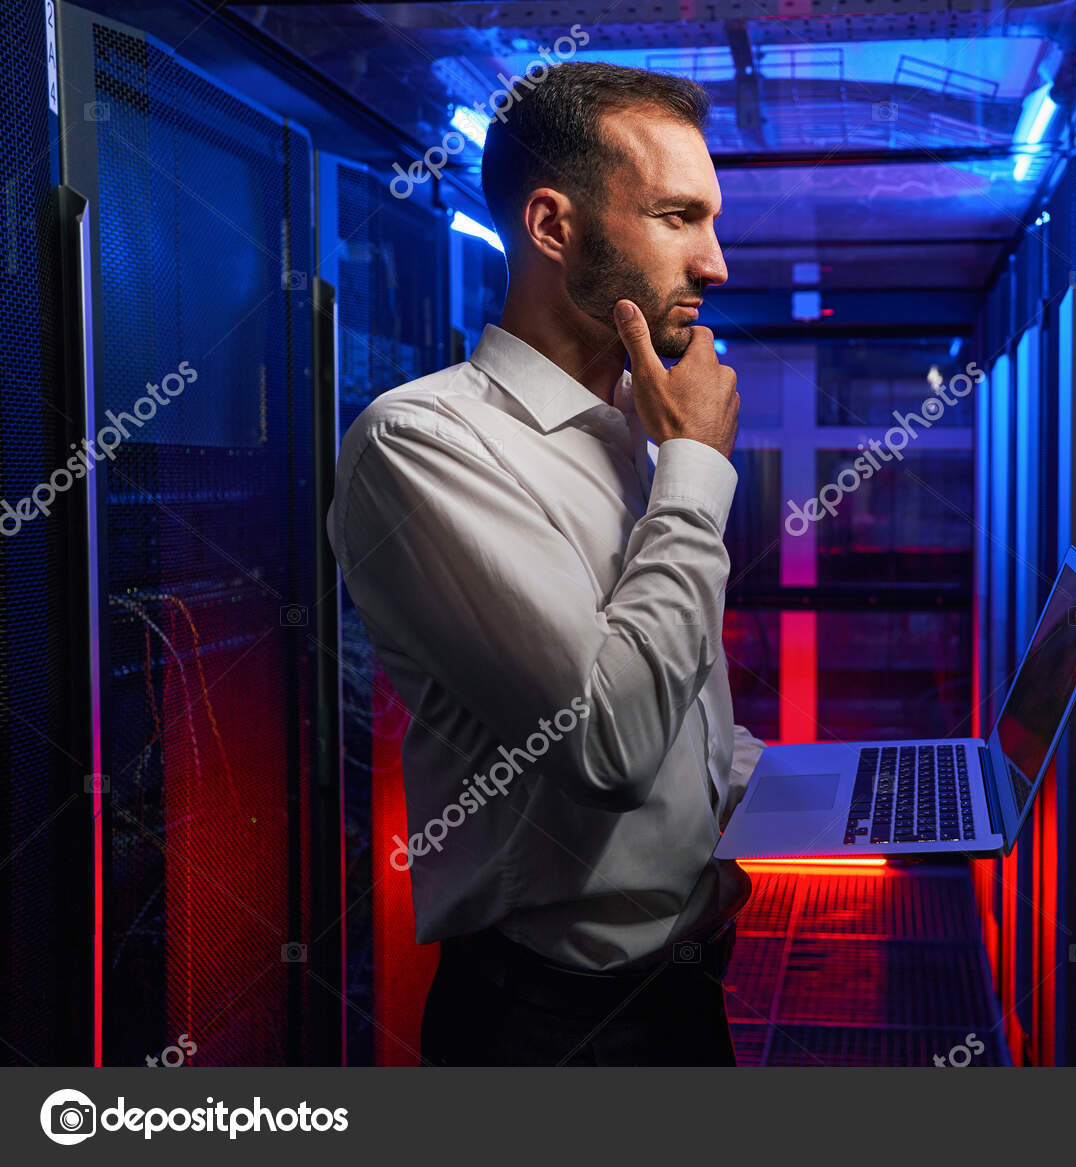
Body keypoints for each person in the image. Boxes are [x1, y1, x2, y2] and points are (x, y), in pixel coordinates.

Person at [325, 61, 765, 1066]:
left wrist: (728, 815)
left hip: (681, 989)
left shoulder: (635, 437)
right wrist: (697, 468)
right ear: (555, 227)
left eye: (712, 222)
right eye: (676, 217)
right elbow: (604, 745)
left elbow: (676, 691)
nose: (716, 264)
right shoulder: (423, 442)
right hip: (551, 1029)